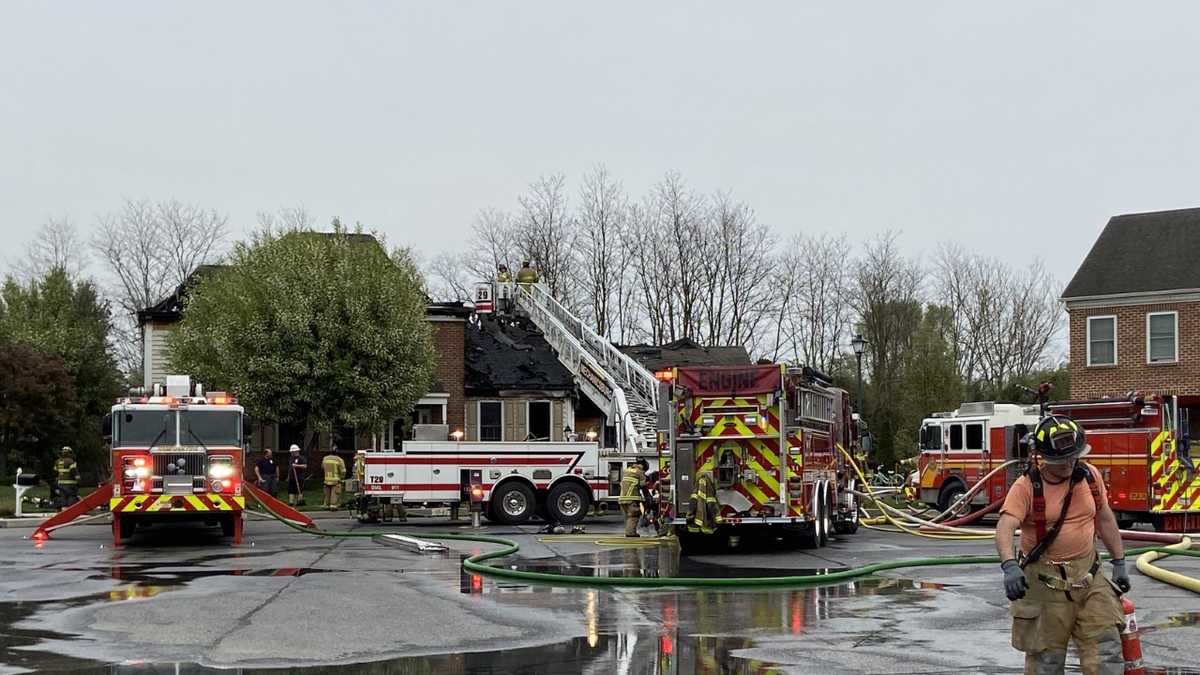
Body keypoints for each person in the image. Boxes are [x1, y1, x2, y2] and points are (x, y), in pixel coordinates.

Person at [994, 415, 1129, 675]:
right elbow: (1005, 526)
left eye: (1073, 457)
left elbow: (1104, 517)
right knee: (1047, 660)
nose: (1069, 463)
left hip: (1090, 577)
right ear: (1041, 457)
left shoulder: (1090, 477)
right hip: (1046, 584)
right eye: (1062, 460)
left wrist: (1119, 561)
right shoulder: (1026, 487)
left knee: (1106, 651)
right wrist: (1009, 564)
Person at [618, 459, 648, 537]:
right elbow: (643, 485)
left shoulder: (626, 470)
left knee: (627, 517)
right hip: (631, 498)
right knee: (634, 516)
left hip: (622, 498)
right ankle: (630, 533)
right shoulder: (639, 472)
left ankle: (628, 532)